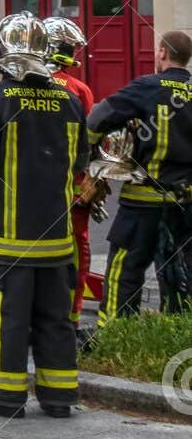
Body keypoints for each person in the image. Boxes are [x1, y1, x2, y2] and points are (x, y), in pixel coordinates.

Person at [0, 13, 85, 419]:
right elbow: (79, 164)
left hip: (10, 241)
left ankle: (3, 396)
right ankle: (59, 397)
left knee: (9, 318)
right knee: (56, 319)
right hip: (58, 239)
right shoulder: (69, 101)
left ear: (2, 51)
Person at [88, 29, 192, 322]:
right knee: (180, 274)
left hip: (143, 203)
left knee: (125, 272)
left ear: (161, 53)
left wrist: (89, 154)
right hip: (186, 206)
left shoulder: (147, 87)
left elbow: (97, 119)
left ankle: (115, 333)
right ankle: (178, 333)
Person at [43, 17, 96, 336]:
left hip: (34, 192)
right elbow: (87, 144)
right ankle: (71, 320)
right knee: (76, 254)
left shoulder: (19, 85)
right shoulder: (80, 91)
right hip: (72, 191)